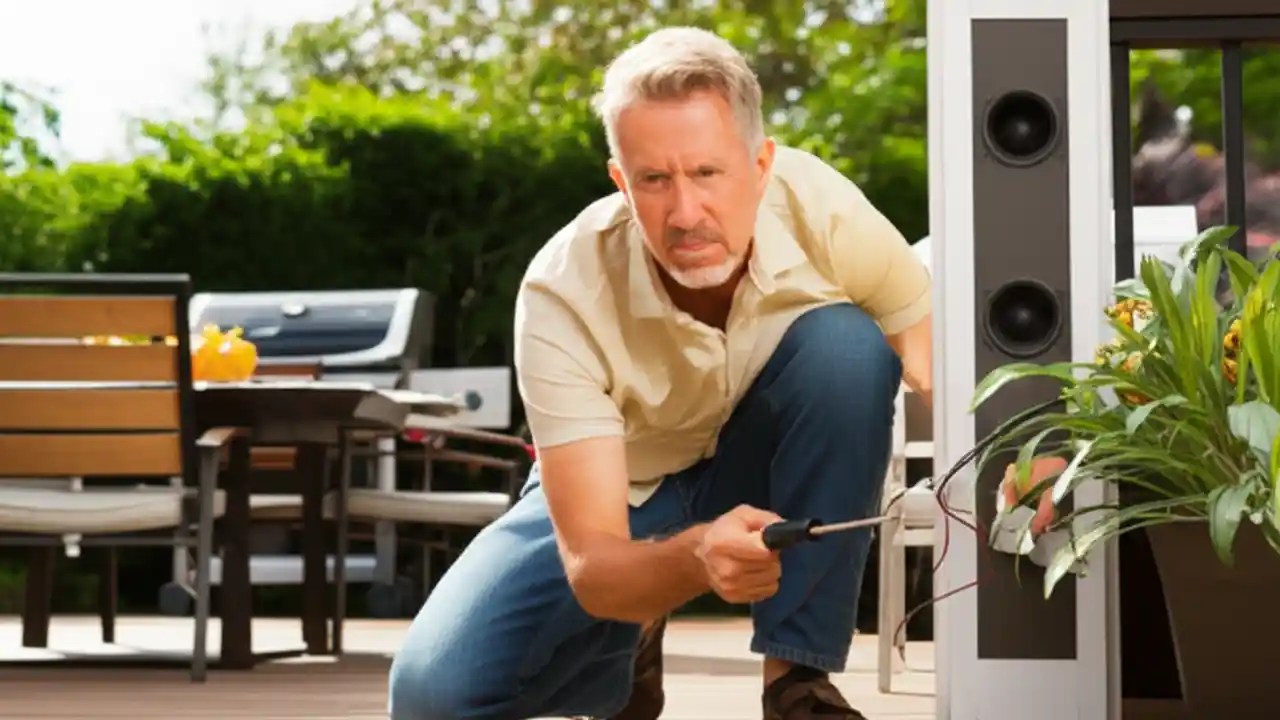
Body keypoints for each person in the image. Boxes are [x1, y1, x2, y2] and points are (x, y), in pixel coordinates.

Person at [387, 26, 933, 720]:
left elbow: (940, 369)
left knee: (848, 346)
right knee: (431, 697)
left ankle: (796, 681)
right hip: (626, 491)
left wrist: (1030, 460)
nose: (684, 213)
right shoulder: (562, 292)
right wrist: (690, 560)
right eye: (653, 179)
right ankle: (628, 644)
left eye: (707, 173)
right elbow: (592, 563)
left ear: (761, 165)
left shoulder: (824, 210)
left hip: (765, 457)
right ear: (621, 181)